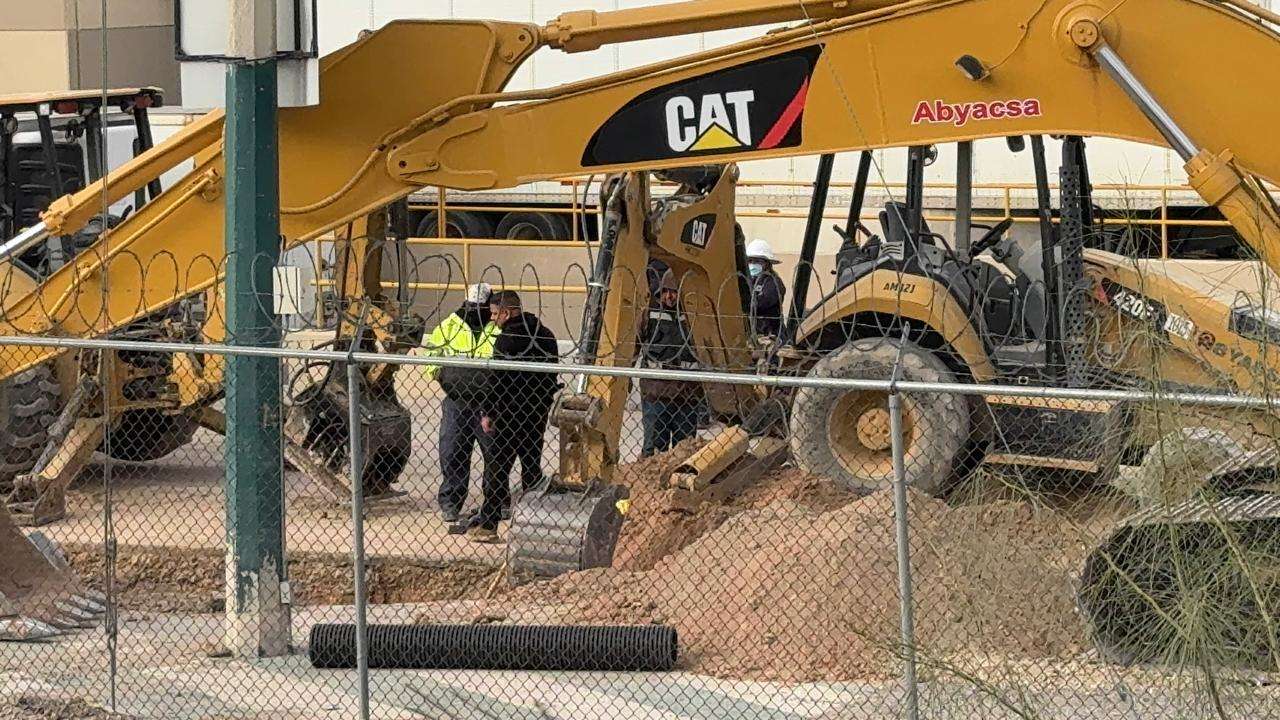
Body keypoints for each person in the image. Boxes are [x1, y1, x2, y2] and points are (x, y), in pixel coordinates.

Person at [471, 291, 561, 543]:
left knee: (497, 470)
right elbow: (551, 375)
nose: (492, 319)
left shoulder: (506, 340)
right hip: (535, 414)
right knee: (531, 470)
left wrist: (488, 412)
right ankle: (533, 526)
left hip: (508, 416)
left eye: (495, 314)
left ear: (507, 313)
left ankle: (489, 525)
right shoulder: (545, 335)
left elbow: (496, 380)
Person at [420, 283, 500, 523]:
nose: (475, 310)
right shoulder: (449, 326)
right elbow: (431, 357)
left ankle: (496, 502)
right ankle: (451, 503)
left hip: (489, 403)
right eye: (471, 306)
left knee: (495, 455)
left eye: (480, 306)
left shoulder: (497, 327)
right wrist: (444, 377)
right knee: (453, 452)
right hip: (457, 401)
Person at [638, 270, 704, 457]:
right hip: (656, 394)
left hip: (687, 396)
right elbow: (633, 345)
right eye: (665, 291)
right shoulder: (649, 314)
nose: (669, 296)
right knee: (653, 451)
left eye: (674, 292)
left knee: (685, 452)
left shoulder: (695, 317)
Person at [745, 238, 787, 338]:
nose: (753, 264)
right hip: (753, 334)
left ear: (767, 264)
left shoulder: (774, 282)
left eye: (757, 261)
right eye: (750, 261)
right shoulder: (748, 280)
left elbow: (761, 303)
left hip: (772, 335)